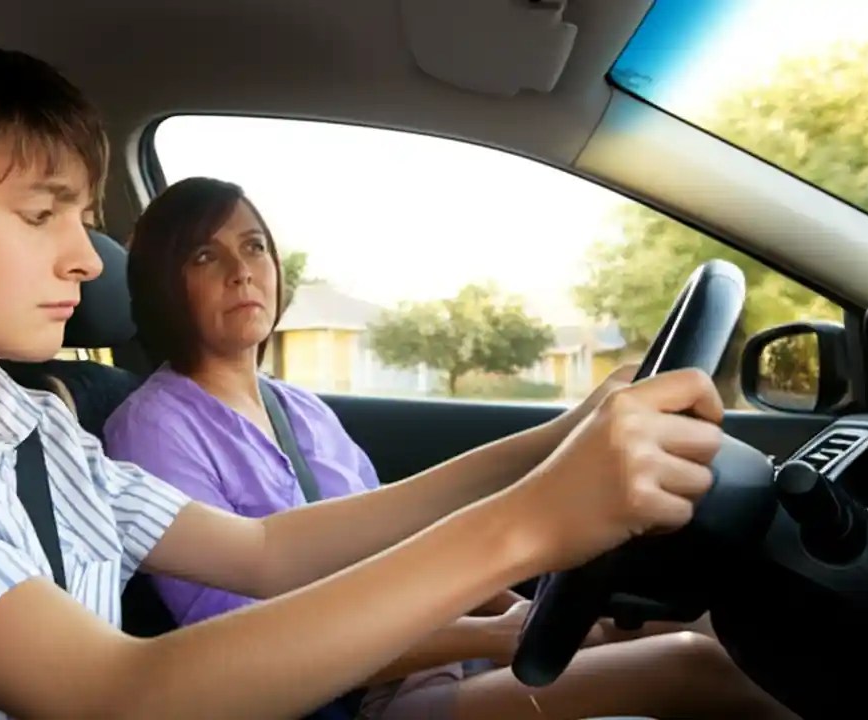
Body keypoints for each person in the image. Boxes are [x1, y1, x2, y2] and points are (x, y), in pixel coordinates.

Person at [0, 37, 762, 720]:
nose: (84, 257)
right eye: (41, 216)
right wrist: (529, 524)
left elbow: (264, 550)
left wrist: (558, 440)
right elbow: (111, 693)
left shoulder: (43, 432)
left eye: (85, 220)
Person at [103, 176, 798, 719]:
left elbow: (404, 542)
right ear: (166, 283)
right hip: (355, 700)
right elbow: (244, 651)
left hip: (433, 658)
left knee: (713, 631)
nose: (241, 269)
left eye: (254, 245)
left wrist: (513, 607)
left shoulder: (300, 407)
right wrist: (493, 635)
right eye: (205, 254)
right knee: (691, 668)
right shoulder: (150, 427)